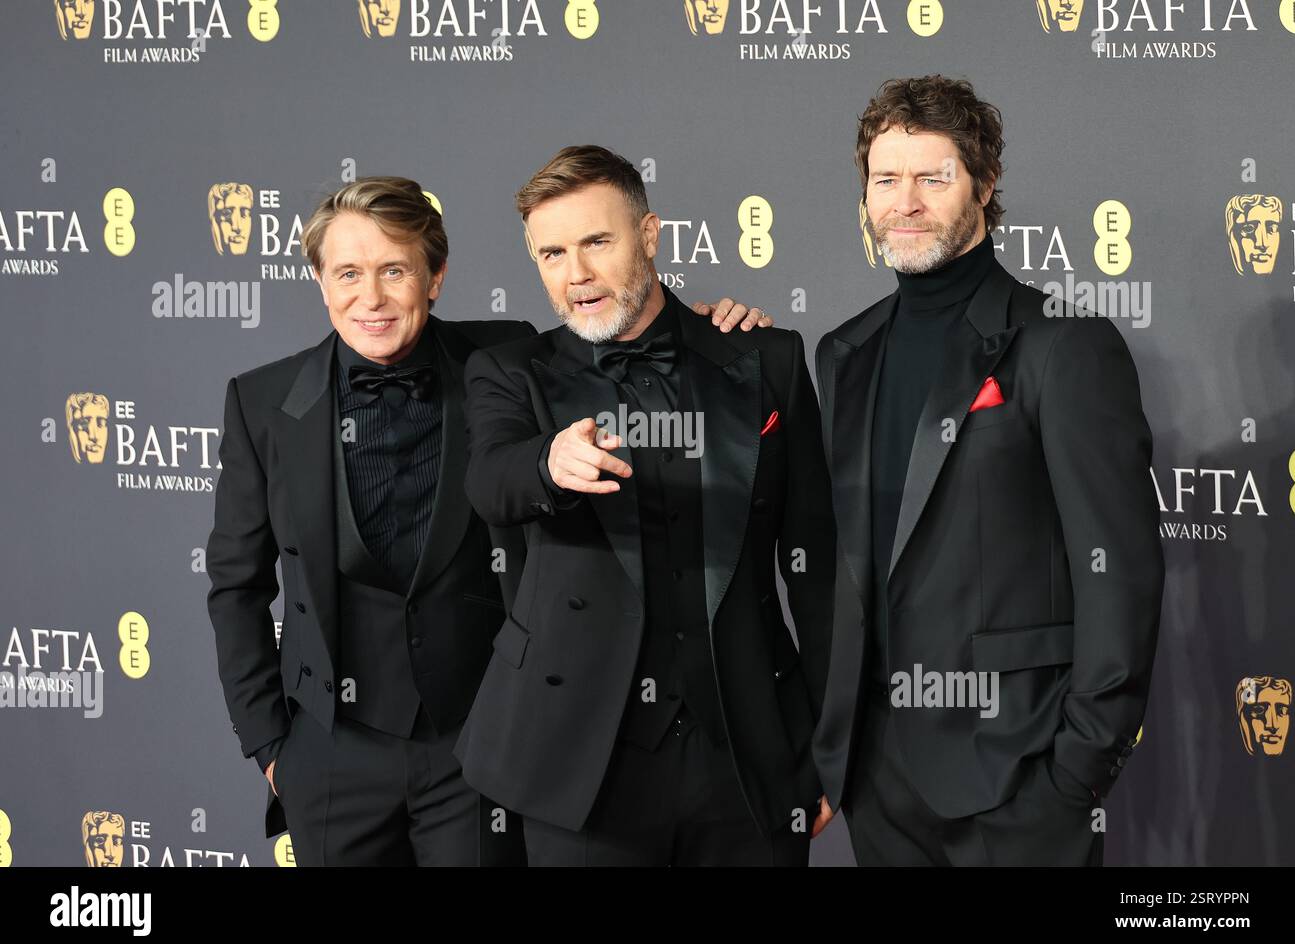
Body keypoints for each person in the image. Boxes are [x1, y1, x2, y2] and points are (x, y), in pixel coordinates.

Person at [206, 174, 767, 865]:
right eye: (347, 272)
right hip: (328, 754)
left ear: (435, 276)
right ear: (320, 282)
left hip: (479, 747)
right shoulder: (260, 402)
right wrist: (270, 747)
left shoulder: (509, 361)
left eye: (395, 270)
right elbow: (235, 586)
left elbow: (625, 339)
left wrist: (714, 329)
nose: (371, 297)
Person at [813, 76, 1164, 866]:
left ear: (985, 184)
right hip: (878, 779)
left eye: (934, 178)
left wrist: (1074, 775)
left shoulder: (1062, 346)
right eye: (885, 179)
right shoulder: (842, 353)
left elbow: (1121, 572)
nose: (906, 202)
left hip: (1017, 778)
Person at [455, 146, 836, 865]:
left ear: (651, 236)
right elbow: (491, 481)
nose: (577, 275)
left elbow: (817, 569)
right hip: (580, 765)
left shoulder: (763, 358)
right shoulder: (512, 370)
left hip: (747, 751)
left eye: (598, 242)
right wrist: (549, 461)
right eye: (552, 254)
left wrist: (829, 741)